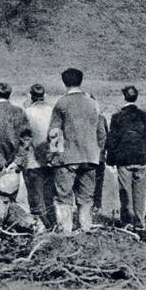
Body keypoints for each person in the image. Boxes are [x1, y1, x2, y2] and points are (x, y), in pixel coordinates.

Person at [47, 68, 106, 233]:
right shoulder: (93, 103)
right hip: (90, 157)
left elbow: (54, 133)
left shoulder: (61, 103)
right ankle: (85, 228)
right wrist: (98, 153)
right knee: (86, 197)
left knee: (63, 197)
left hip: (68, 158)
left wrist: (53, 156)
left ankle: (66, 231)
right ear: (81, 80)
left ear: (64, 82)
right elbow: (101, 133)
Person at [105, 85, 146, 229]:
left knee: (125, 192)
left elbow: (112, 140)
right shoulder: (145, 116)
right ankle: (139, 222)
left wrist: (110, 160)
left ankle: (127, 222)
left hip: (123, 160)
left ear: (124, 97)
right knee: (140, 193)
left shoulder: (117, 117)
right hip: (141, 158)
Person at [0, 83, 31, 224]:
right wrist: (17, 161)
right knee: (10, 196)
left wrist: (0, 161)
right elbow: (26, 138)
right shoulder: (19, 112)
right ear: (9, 94)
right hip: (13, 163)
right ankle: (9, 226)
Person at [22, 84, 57, 232]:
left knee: (36, 194)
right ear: (45, 95)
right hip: (50, 159)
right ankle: (52, 223)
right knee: (49, 194)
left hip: (33, 160)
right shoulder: (53, 111)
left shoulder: (27, 112)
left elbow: (24, 136)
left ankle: (43, 225)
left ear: (31, 96)